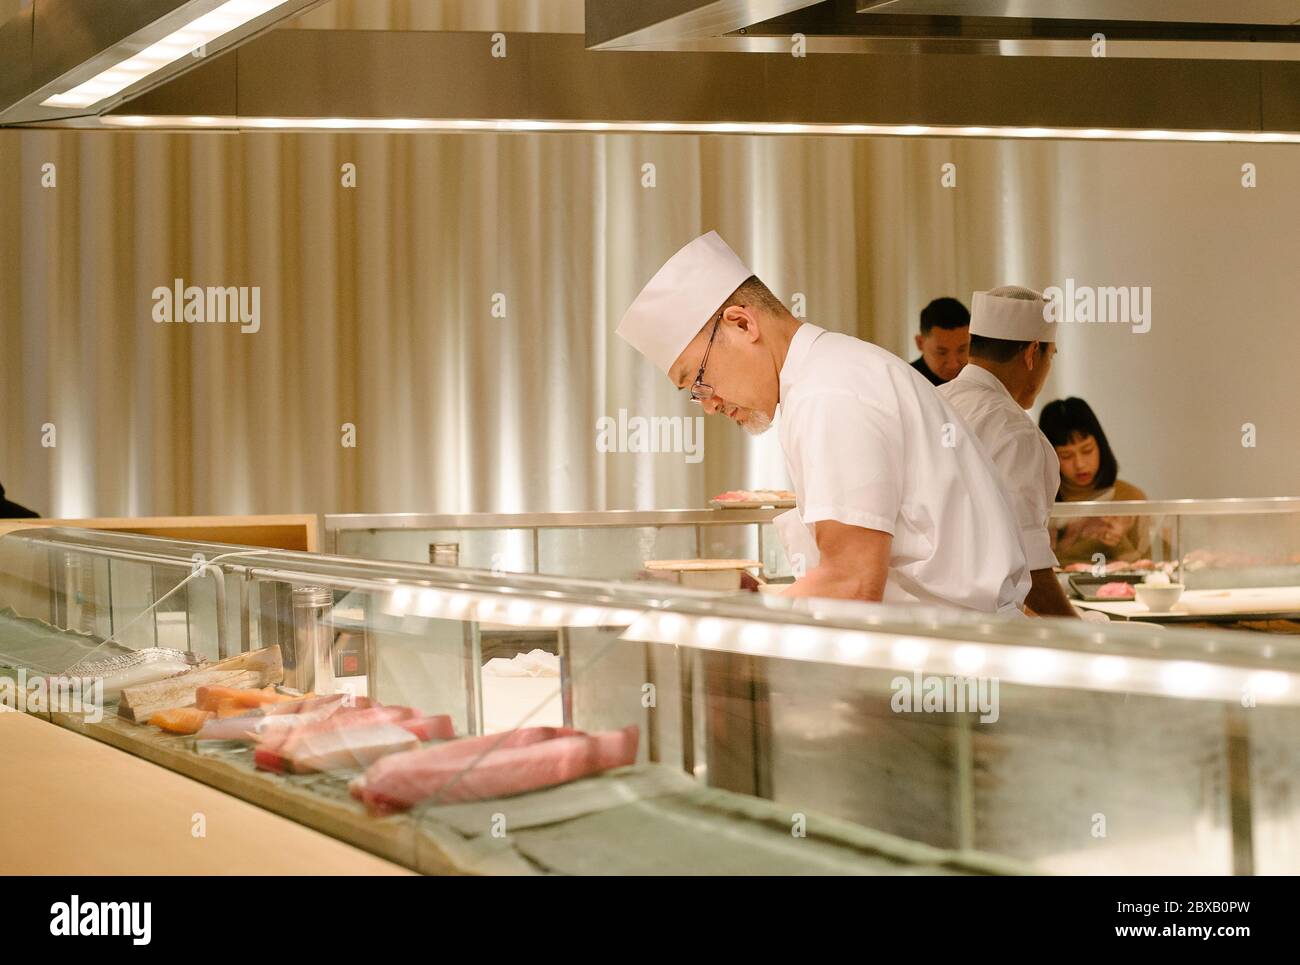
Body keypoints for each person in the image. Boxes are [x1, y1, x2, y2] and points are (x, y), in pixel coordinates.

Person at [615, 231, 1029, 613]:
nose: (708, 405)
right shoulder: (824, 376)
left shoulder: (829, 391)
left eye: (699, 379)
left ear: (742, 324)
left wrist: (729, 618)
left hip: (947, 669)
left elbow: (852, 583)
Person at [938, 286, 1078, 618]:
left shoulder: (931, 400)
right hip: (980, 630)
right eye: (1051, 355)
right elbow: (1028, 563)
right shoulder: (1014, 430)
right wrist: (1078, 632)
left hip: (921, 622)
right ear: (1032, 353)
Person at [1039, 397, 1150, 566]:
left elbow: (1146, 567)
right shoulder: (1039, 500)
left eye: (1087, 450)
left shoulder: (1128, 497)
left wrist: (1118, 541)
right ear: (1050, 458)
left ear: (1101, 445)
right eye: (1066, 456)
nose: (1080, 464)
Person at [911, 297, 970, 386]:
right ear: (920, 343)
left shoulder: (981, 380)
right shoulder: (904, 383)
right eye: (942, 352)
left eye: (962, 350)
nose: (953, 364)